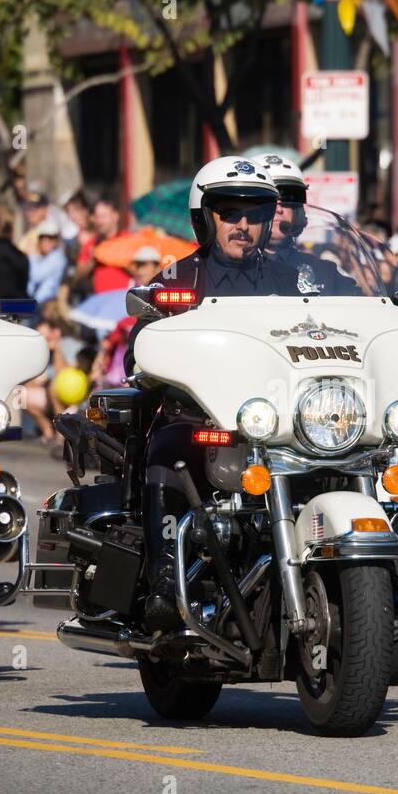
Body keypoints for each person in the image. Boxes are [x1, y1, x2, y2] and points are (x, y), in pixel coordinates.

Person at [132, 155, 298, 631]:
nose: (243, 225)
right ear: (206, 218)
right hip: (201, 419)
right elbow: (137, 353)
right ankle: (164, 579)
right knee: (167, 449)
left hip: (280, 421)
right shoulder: (177, 279)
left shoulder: (291, 283)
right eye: (229, 213)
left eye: (256, 215)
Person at [252, 152, 355, 294]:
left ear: (299, 212)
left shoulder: (326, 272)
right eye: (269, 201)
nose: (279, 209)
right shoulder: (230, 272)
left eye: (287, 200)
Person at [27, 218, 68, 306]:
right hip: (31, 304)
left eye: (51, 238)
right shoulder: (40, 257)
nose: (46, 241)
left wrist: (32, 256)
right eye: (43, 237)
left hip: (43, 305)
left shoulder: (58, 257)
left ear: (56, 240)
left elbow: (35, 276)